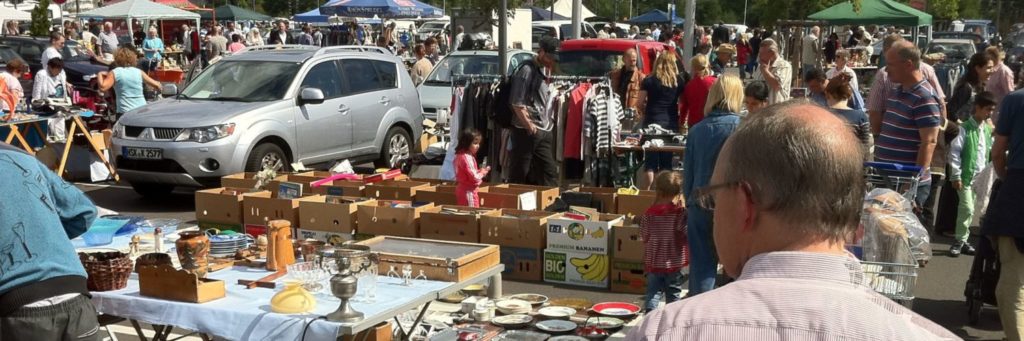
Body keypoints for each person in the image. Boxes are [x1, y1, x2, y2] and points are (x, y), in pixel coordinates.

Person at [627, 102, 959, 340]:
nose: (712, 213)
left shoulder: (665, 330)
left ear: (745, 204)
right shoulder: (920, 333)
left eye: (713, 198)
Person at [0, 140, 100, 341]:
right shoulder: (22, 157)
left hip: (19, 306)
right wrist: (46, 235)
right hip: (74, 293)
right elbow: (84, 212)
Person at [680, 75, 743, 297]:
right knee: (736, 264)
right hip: (732, 203)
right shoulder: (741, 126)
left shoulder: (697, 129)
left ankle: (700, 312)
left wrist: (688, 200)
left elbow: (688, 171)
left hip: (699, 200)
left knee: (702, 265)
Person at [875, 40, 943, 209]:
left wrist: (911, 185)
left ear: (908, 65)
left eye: (890, 64)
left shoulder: (924, 97)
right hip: (887, 179)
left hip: (905, 184)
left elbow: (929, 142)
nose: (886, 69)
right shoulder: (897, 90)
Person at [982, 87, 1024, 341]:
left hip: (1019, 191)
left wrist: (1007, 178)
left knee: (1012, 286)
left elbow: (997, 152)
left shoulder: (1016, 100)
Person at [948, 91, 996, 257]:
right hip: (966, 177)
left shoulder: (987, 130)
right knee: (967, 208)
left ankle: (963, 240)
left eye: (992, 110)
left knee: (975, 209)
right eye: (987, 109)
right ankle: (959, 240)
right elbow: (954, 152)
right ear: (978, 108)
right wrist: (956, 175)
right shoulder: (965, 129)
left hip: (981, 178)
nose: (990, 113)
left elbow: (991, 151)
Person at [507, 37, 559, 186]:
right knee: (520, 173)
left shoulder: (543, 70)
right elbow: (516, 102)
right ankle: (514, 204)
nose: (551, 61)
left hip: (543, 130)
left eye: (553, 58)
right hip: (526, 131)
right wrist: (530, 127)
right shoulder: (526, 70)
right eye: (549, 57)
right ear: (541, 52)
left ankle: (550, 204)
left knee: (549, 172)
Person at [638, 170, 687, 313]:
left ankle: (649, 316)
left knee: (653, 292)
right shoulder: (679, 213)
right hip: (674, 262)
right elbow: (684, 232)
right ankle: (672, 321)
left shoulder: (649, 213)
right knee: (673, 294)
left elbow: (645, 235)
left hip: (654, 262)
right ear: (677, 191)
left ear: (657, 190)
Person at [636, 52, 686, 190]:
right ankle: (665, 193)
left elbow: (639, 103)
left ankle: (645, 193)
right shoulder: (679, 81)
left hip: (651, 122)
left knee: (650, 162)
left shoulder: (649, 80)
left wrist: (646, 110)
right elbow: (683, 103)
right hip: (670, 123)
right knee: (666, 161)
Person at [96, 48, 161, 119]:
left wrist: (100, 74)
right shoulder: (138, 72)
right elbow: (157, 85)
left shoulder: (115, 72)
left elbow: (103, 87)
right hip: (141, 109)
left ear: (117, 59)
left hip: (125, 111)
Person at [825, 73, 872, 157]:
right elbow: (865, 149)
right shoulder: (861, 117)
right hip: (853, 165)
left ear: (828, 94)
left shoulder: (822, 115)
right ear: (850, 94)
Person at [948, 52, 994, 122]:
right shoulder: (966, 87)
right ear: (978, 68)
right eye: (989, 68)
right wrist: (962, 125)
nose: (992, 71)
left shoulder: (981, 86)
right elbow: (950, 111)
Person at [454, 129, 490, 207]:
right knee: (472, 214)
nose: (478, 146)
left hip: (462, 190)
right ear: (467, 143)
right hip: (469, 192)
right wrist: (483, 173)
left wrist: (479, 171)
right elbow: (474, 178)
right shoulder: (467, 157)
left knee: (465, 214)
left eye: (478, 143)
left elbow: (468, 173)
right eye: (475, 143)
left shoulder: (459, 155)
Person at [680, 54, 716, 129]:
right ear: (708, 65)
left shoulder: (689, 85)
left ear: (693, 68)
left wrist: (682, 121)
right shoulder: (715, 82)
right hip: (711, 121)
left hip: (694, 123)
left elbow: (684, 107)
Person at [752, 38, 792, 105]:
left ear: (772, 53)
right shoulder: (761, 65)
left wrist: (765, 71)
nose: (759, 56)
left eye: (762, 53)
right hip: (761, 110)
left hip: (776, 109)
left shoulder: (784, 65)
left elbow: (777, 85)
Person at [609, 48, 646, 118]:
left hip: (632, 118)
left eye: (634, 61)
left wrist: (637, 113)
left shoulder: (641, 78)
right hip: (615, 115)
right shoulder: (614, 75)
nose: (632, 63)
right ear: (624, 60)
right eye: (630, 61)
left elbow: (645, 101)